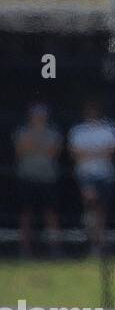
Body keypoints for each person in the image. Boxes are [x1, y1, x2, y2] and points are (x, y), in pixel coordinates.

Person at [67, 100, 115, 255]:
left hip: (105, 175)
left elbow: (111, 152)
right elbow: (76, 154)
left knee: (101, 211)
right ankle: (93, 241)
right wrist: (98, 152)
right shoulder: (78, 131)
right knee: (91, 206)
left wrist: (89, 152)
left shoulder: (109, 129)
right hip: (85, 175)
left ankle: (99, 243)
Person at [13, 103, 62, 257]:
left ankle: (55, 249)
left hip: (48, 178)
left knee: (51, 214)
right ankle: (25, 249)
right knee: (25, 215)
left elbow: (53, 152)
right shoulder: (21, 132)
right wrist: (39, 147)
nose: (39, 118)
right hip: (27, 177)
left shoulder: (54, 133)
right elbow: (21, 151)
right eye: (36, 114)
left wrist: (33, 146)